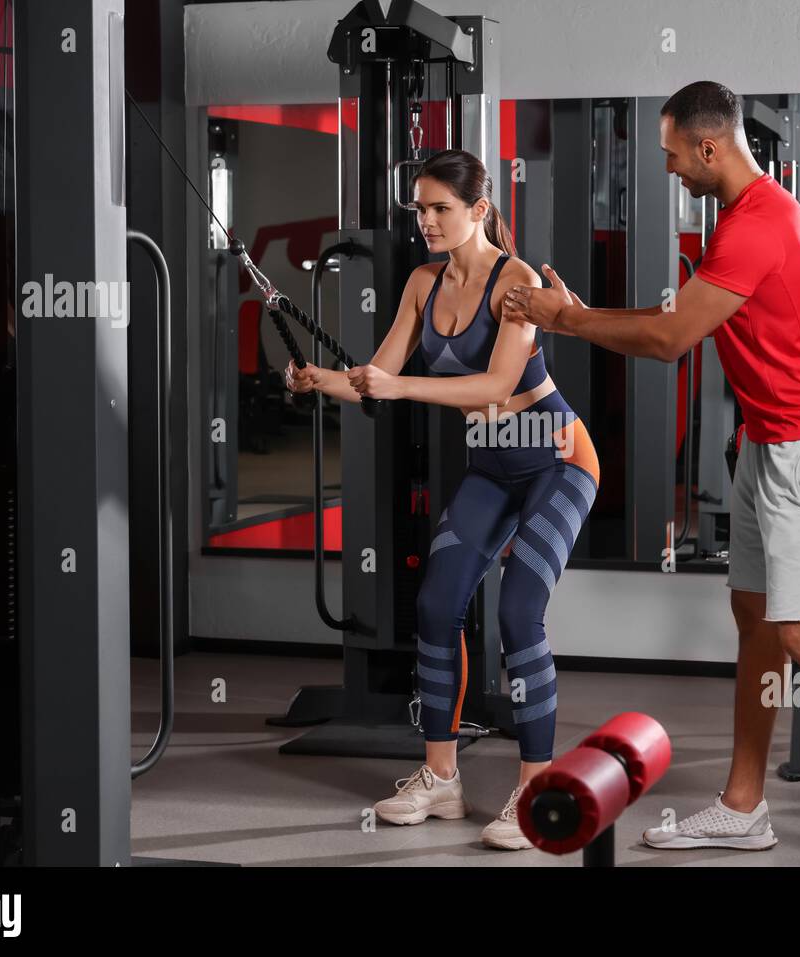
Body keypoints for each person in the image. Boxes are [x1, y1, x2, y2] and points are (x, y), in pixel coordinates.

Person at [505, 81, 800, 866]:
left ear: (709, 148)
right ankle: (744, 806)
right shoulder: (741, 218)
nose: (670, 169)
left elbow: (671, 337)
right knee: (753, 615)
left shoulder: (759, 222)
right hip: (771, 440)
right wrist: (572, 313)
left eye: (673, 156)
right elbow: (683, 323)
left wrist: (563, 317)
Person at [284, 149, 599, 851]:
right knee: (436, 603)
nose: (425, 221)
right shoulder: (423, 284)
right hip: (492, 465)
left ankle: (535, 785)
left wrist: (396, 389)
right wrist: (322, 379)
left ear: (479, 210)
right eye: (418, 209)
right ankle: (440, 775)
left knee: (520, 610)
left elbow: (493, 386)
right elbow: (381, 373)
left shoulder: (514, 282)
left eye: (439, 209)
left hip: (556, 458)